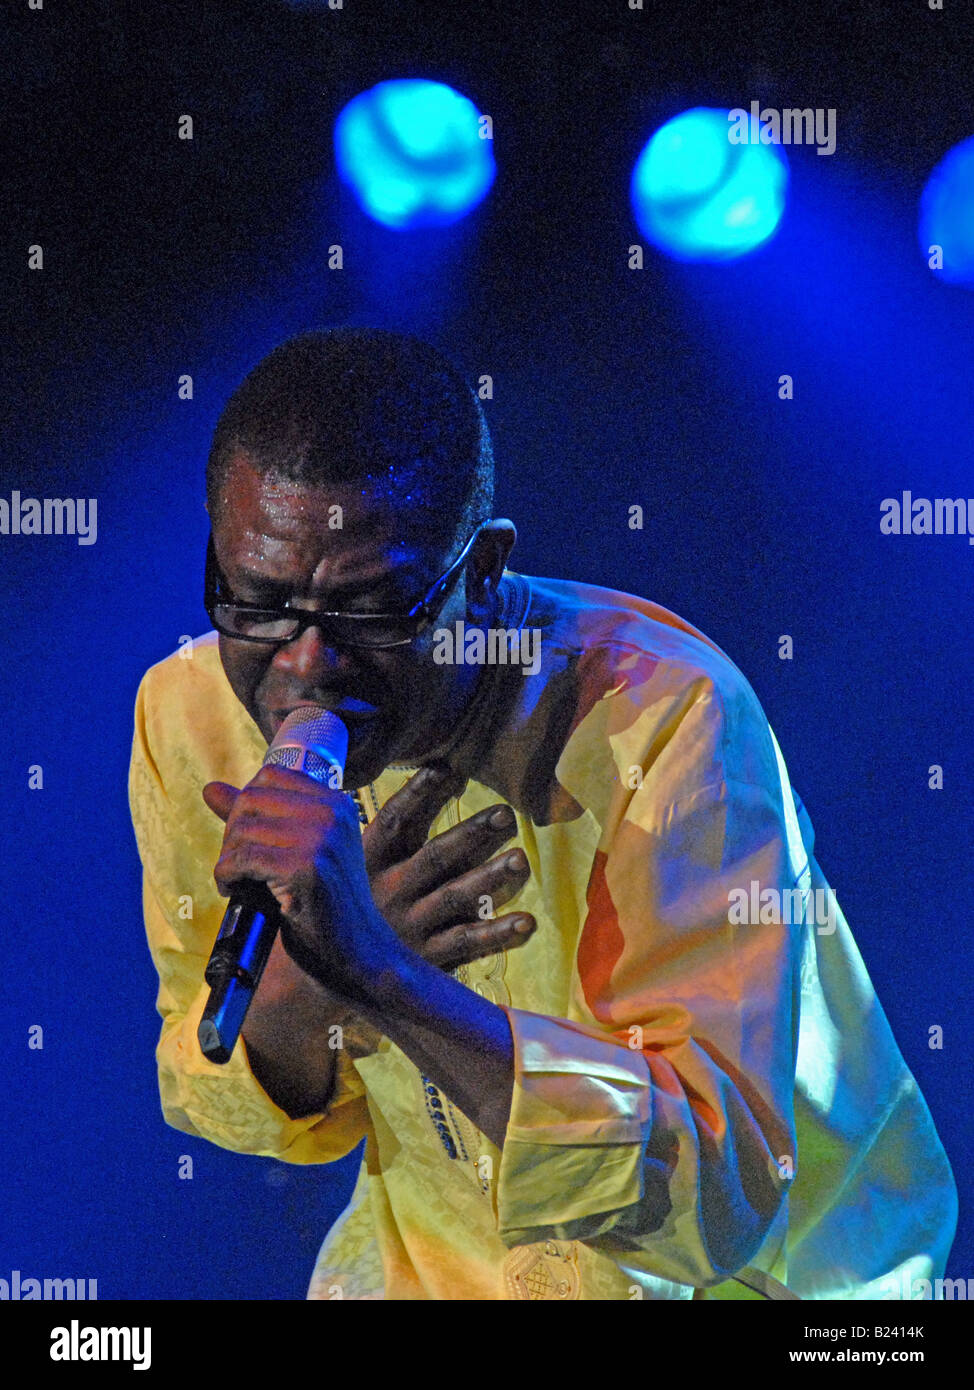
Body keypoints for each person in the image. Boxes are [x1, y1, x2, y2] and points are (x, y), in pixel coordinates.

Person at [129, 328, 956, 1301]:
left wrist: (385, 978)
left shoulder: (656, 713)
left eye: (373, 611)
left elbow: (714, 1210)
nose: (304, 664)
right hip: (434, 1272)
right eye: (255, 601)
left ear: (482, 572)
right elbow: (217, 1093)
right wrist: (314, 986)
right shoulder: (189, 719)